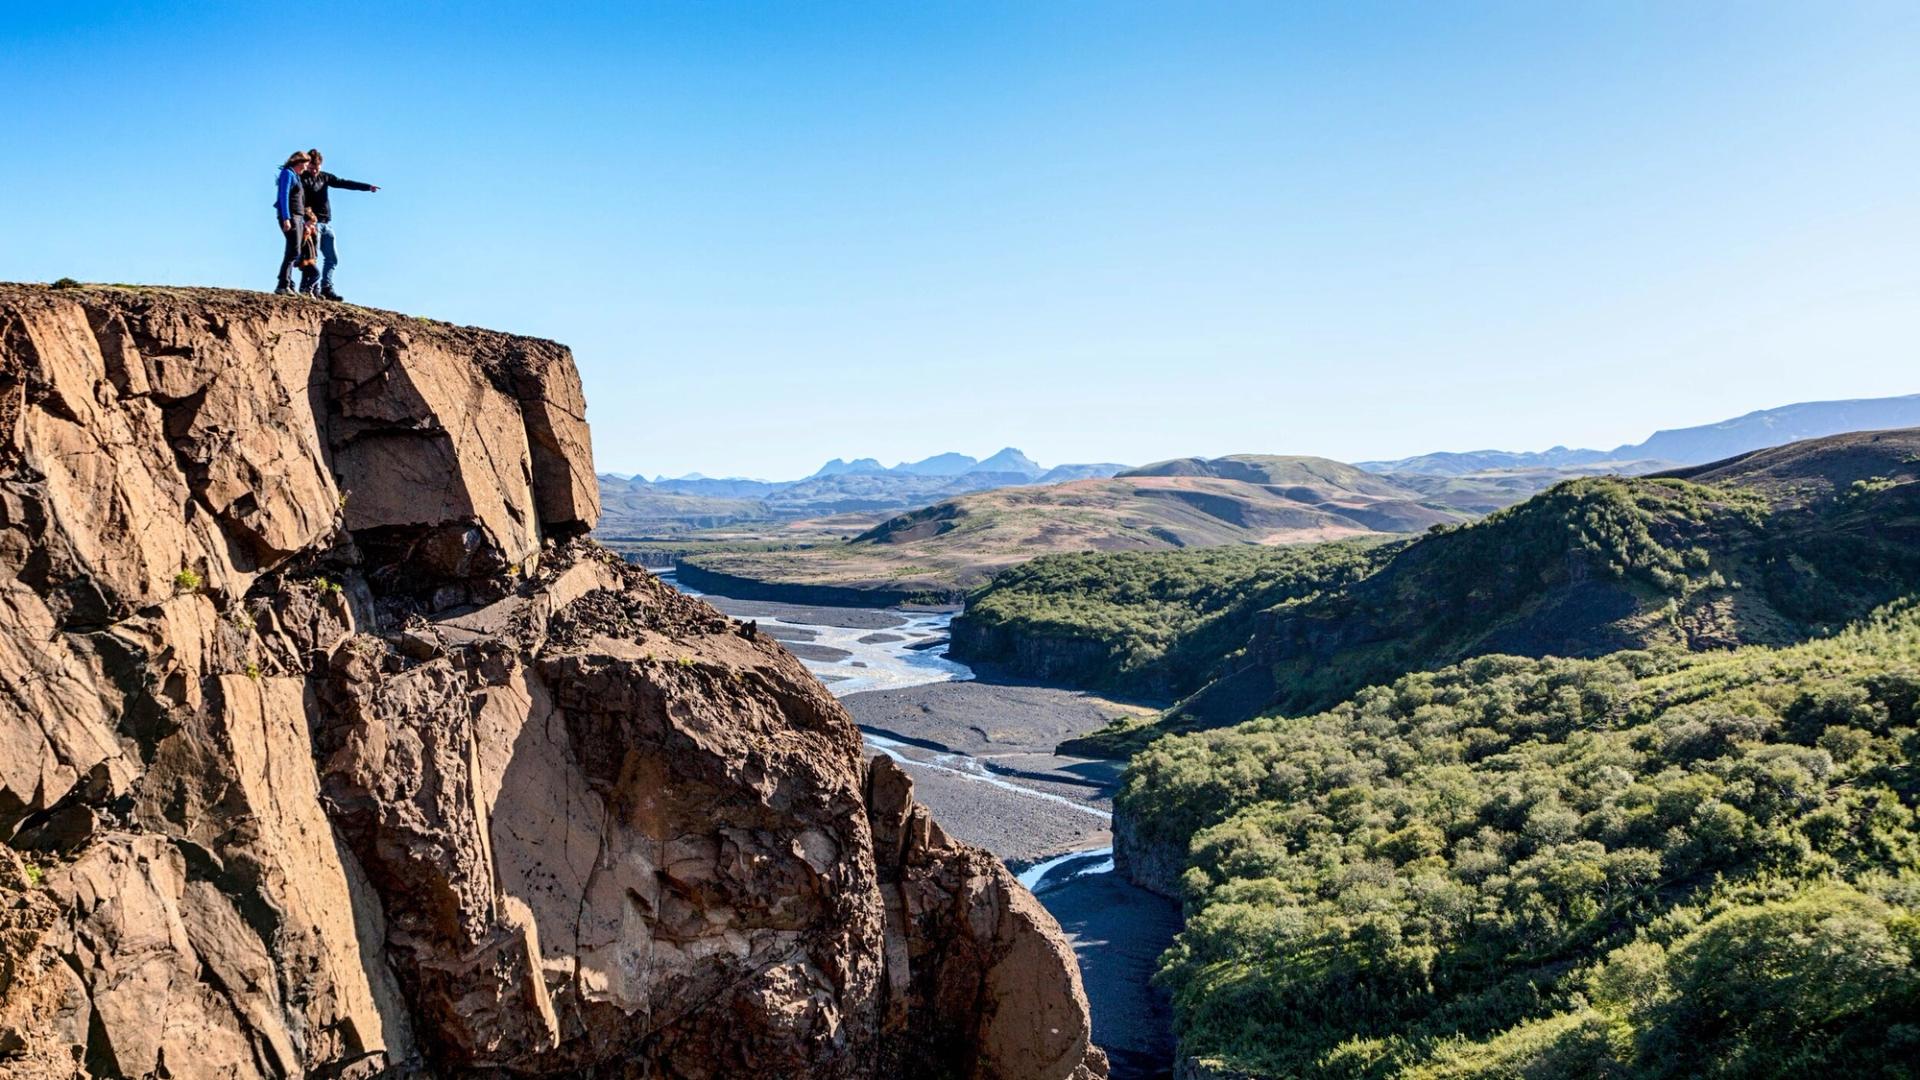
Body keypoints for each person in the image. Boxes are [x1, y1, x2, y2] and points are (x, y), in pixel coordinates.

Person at [300, 149, 379, 302]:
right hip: (312, 224)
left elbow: (344, 183)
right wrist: (306, 219)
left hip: (326, 224)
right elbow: (297, 201)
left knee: (332, 258)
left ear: (320, 165)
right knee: (311, 257)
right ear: (307, 165)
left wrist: (367, 187)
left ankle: (327, 288)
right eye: (311, 168)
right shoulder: (302, 179)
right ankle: (309, 288)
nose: (314, 171)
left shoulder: (325, 177)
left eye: (316, 168)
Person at [273, 151, 312, 295]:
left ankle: (287, 283)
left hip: (298, 217)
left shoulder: (296, 176)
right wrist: (286, 218)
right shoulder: (287, 174)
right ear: (299, 162)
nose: (306, 167)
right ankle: (283, 284)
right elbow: (283, 196)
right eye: (306, 164)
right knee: (293, 250)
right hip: (291, 217)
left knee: (294, 250)